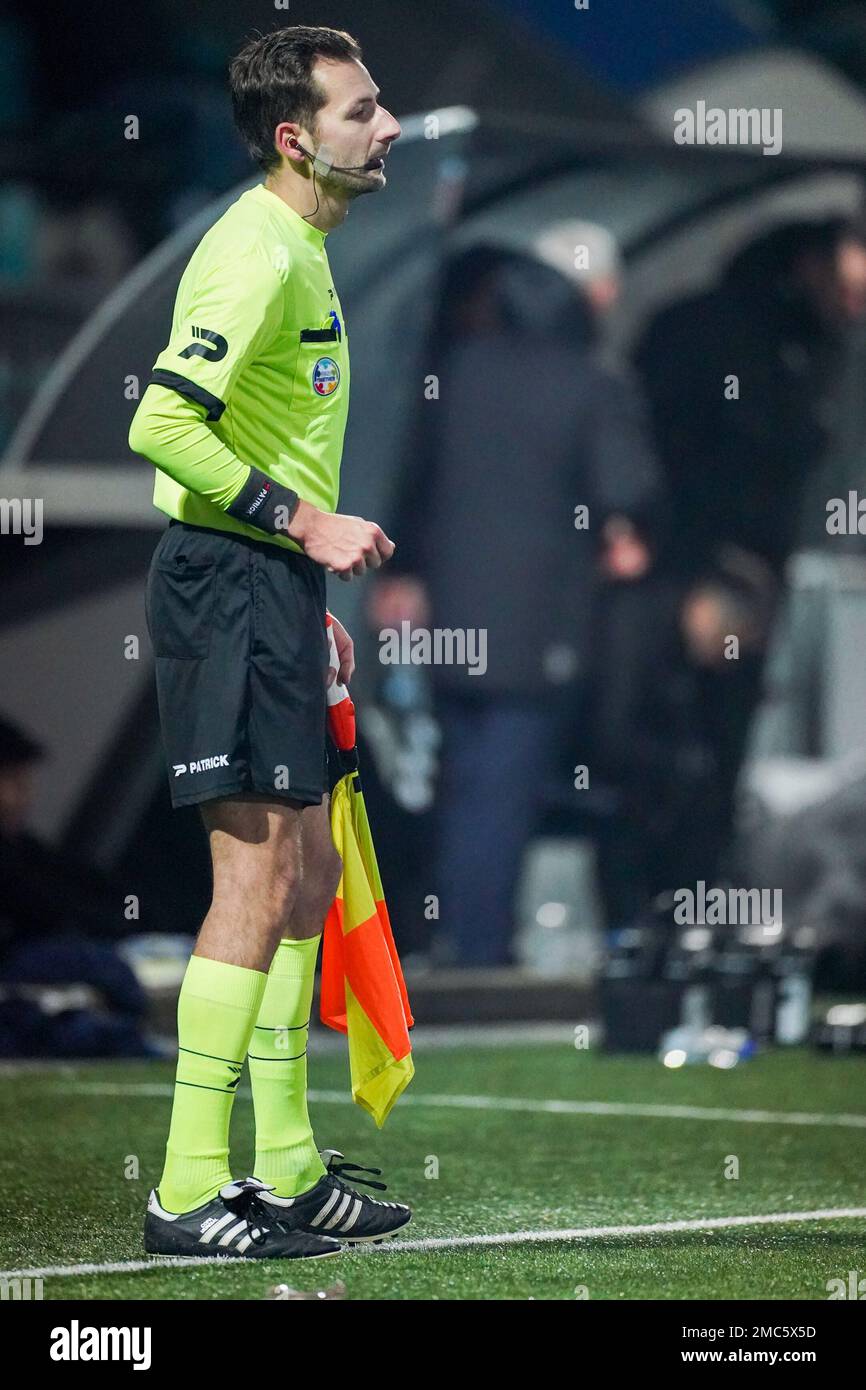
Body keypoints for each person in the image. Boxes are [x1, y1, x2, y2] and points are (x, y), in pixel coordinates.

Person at [128, 25, 408, 1261]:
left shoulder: (305, 242)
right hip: (225, 580)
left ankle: (285, 1165)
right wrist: (301, 523)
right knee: (250, 882)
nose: (383, 125)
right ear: (295, 138)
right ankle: (188, 1187)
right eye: (359, 111)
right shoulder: (254, 251)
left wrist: (305, 585)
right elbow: (160, 423)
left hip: (271, 589)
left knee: (301, 877)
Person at [371, 234, 661, 965]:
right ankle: (478, 953)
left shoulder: (454, 372)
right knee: (502, 796)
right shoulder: (588, 384)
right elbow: (628, 489)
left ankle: (439, 935)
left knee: (455, 787)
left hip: (448, 624)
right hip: (539, 631)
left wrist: (401, 575)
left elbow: (409, 480)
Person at [0, 717, 152, 1057]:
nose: (21, 797)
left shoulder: (22, 848)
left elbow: (82, 886)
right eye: (12, 781)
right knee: (96, 964)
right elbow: (40, 906)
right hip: (13, 958)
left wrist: (130, 918)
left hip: (28, 955)